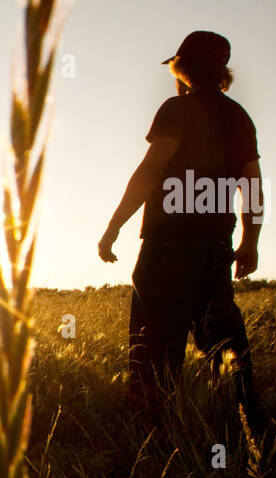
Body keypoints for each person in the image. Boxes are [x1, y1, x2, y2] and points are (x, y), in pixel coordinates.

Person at [97, 30, 266, 428]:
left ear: (182, 67)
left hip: (166, 248)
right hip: (215, 249)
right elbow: (253, 186)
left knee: (153, 350)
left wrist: (113, 226)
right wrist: (250, 242)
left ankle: (147, 434)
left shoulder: (177, 109)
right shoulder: (239, 116)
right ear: (222, 72)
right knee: (223, 345)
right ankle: (243, 426)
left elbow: (149, 172)